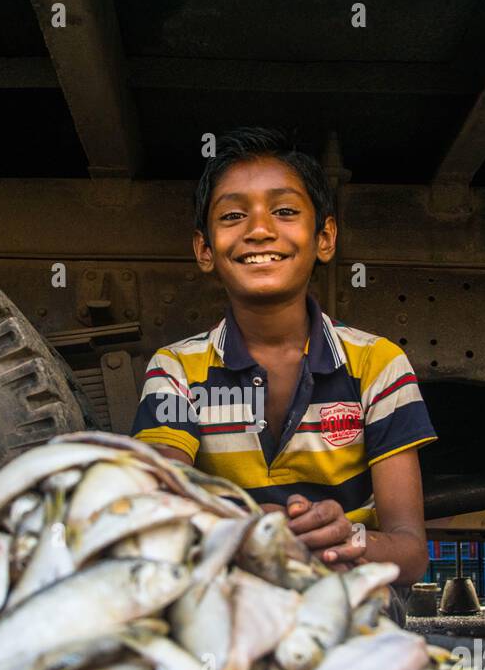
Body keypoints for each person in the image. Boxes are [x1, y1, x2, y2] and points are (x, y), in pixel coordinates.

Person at [129, 127, 435, 598]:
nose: (258, 230)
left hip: (348, 592)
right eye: (233, 215)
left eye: (285, 211)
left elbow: (411, 555)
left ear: (325, 237)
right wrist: (249, 531)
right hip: (226, 593)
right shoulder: (175, 370)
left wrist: (346, 538)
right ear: (204, 249)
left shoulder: (378, 363)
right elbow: (162, 519)